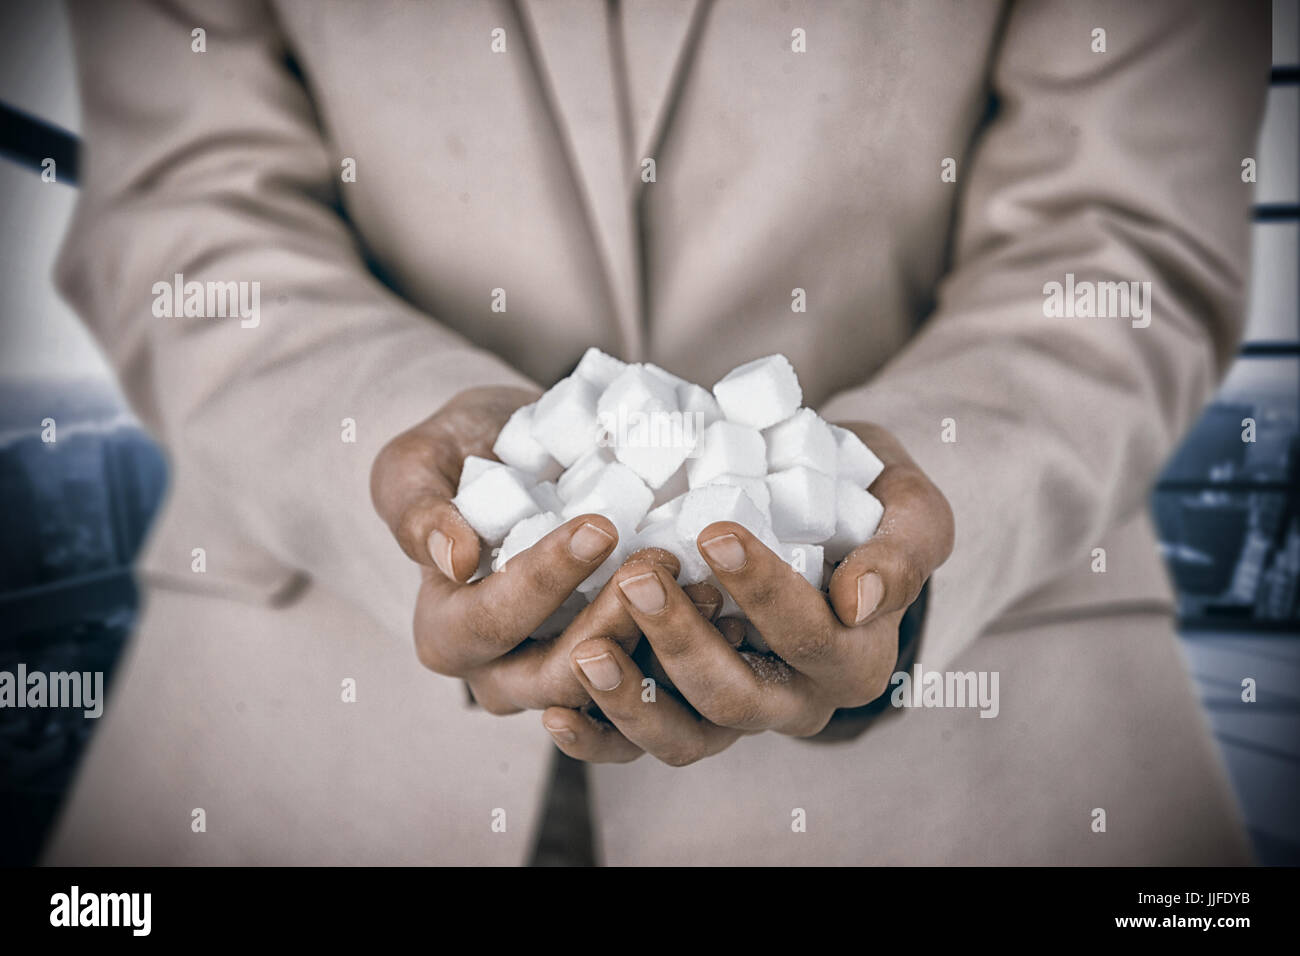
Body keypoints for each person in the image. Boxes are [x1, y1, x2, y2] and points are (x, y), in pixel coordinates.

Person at [46, 0, 1268, 865]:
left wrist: (905, 523)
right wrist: (426, 467)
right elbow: (182, 214)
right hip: (298, 752)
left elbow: (1125, 237)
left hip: (986, 778)